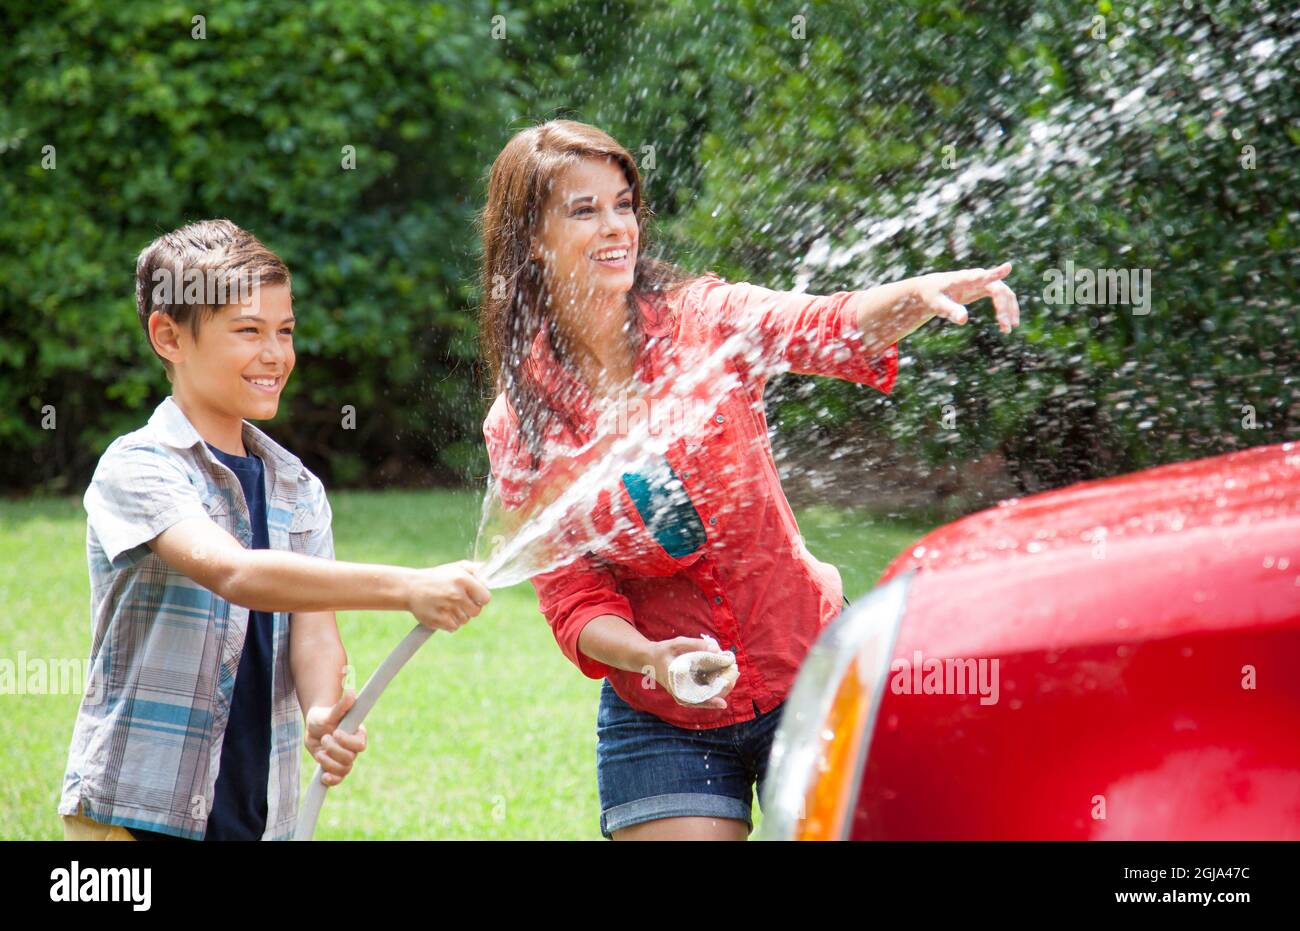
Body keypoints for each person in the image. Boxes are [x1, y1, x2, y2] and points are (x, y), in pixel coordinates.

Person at [479, 120, 1020, 840]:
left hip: (811, 674)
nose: (617, 228)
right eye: (585, 210)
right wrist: (651, 658)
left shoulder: (704, 318)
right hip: (666, 712)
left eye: (623, 203)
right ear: (533, 240)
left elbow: (824, 325)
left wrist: (913, 295)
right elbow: (575, 595)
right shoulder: (522, 421)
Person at [60, 219, 490, 841]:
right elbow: (235, 571)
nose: (276, 354)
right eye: (248, 331)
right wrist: (409, 586)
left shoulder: (297, 489)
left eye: (285, 331)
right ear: (168, 337)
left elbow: (314, 633)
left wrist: (320, 710)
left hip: (258, 815)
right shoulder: (137, 467)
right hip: (134, 810)